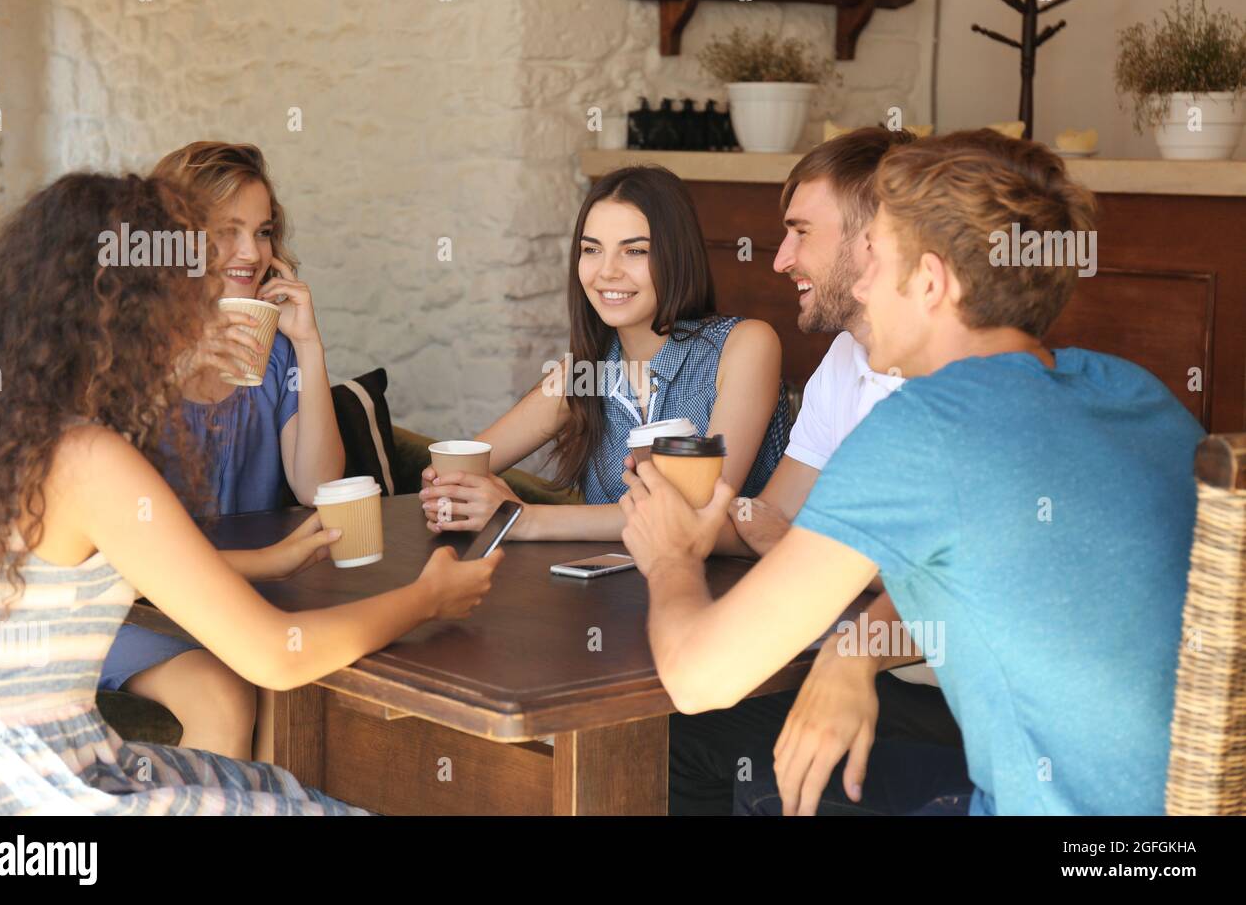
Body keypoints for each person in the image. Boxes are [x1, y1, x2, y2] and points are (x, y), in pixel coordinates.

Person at [619, 130, 1203, 815]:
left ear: (931, 282)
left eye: (877, 260)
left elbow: (698, 676)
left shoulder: (926, 427)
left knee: (672, 742)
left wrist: (670, 558)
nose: (862, 285)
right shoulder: (1138, 396)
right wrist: (856, 650)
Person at [0, 172, 500, 814]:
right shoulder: (88, 460)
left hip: (12, 774)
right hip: (37, 801)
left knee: (278, 786)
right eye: (184, 290)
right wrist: (427, 597)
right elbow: (275, 655)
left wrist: (266, 560)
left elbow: (82, 579)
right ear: (131, 308)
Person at [670, 127, 967, 816]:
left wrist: (796, 553)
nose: (781, 260)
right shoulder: (846, 358)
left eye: (801, 233)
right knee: (677, 728)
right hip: (861, 663)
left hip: (947, 699)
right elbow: (771, 519)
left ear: (872, 243)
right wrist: (676, 513)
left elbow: (944, 588)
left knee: (685, 726)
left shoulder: (955, 389)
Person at [97, 142, 347, 762]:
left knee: (297, 675)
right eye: (227, 231)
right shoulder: (122, 352)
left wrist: (309, 345)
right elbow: (115, 543)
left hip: (238, 599)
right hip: (131, 605)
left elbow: (319, 487)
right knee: (225, 693)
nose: (251, 252)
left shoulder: (275, 353)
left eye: (262, 233)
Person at [417, 165, 789, 540]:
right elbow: (459, 470)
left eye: (635, 251)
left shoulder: (746, 345)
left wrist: (523, 518)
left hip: (728, 590)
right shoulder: (584, 372)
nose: (607, 272)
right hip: (602, 590)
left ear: (678, 256)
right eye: (592, 249)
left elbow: (693, 513)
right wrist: (447, 488)